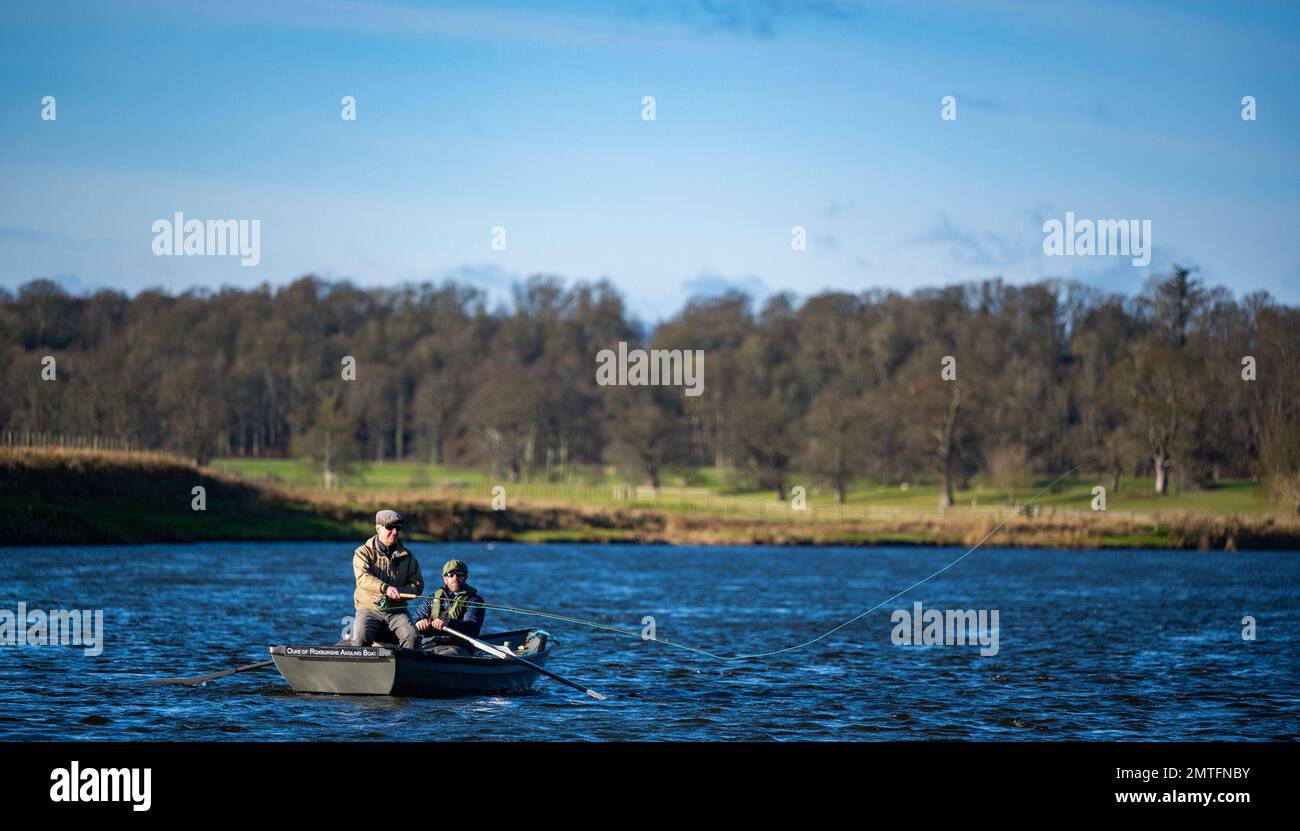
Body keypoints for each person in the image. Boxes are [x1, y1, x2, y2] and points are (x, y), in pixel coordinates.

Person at [351, 509, 424, 648]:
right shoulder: (362, 553)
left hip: (397, 611)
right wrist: (386, 588)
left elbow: (417, 586)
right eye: (389, 528)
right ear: (378, 528)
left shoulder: (408, 557)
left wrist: (398, 593)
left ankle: (407, 667)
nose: (395, 532)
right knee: (360, 639)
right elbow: (363, 578)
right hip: (368, 610)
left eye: (398, 528)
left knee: (412, 637)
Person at [413, 559, 484, 656]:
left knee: (445, 656)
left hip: (457, 647)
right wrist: (419, 622)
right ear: (445, 578)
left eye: (459, 574)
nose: (455, 578)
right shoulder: (431, 599)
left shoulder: (474, 600)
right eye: (451, 575)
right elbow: (415, 620)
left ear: (465, 577)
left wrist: (448, 622)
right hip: (428, 645)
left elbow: (472, 628)